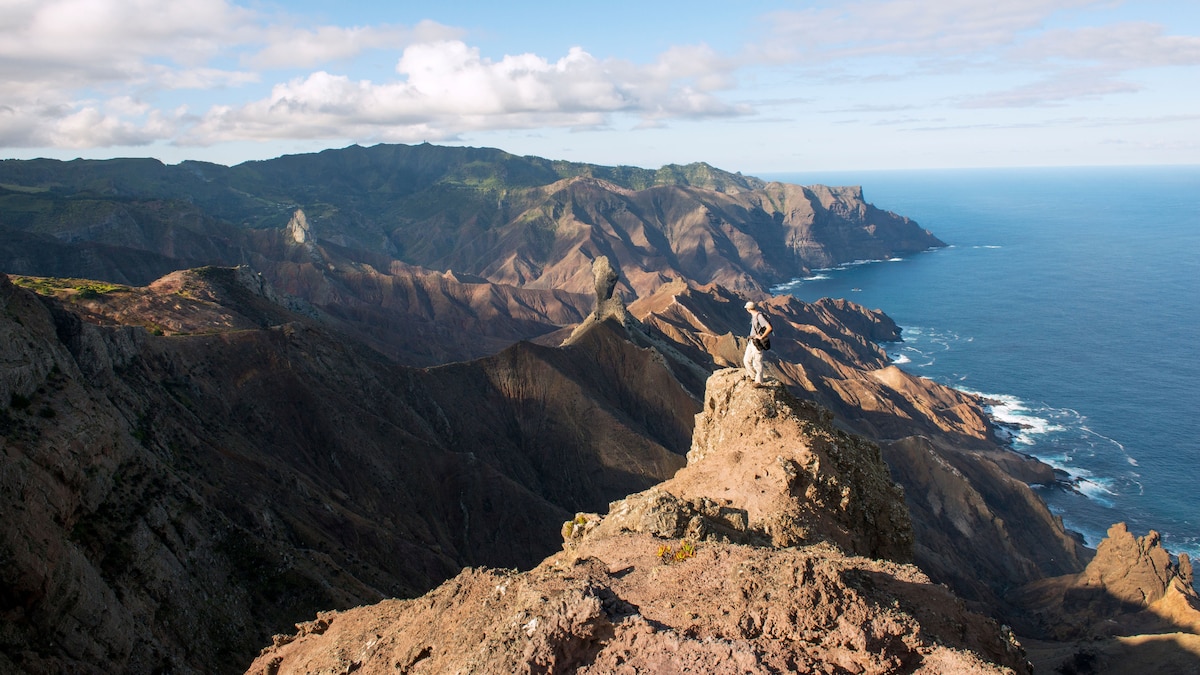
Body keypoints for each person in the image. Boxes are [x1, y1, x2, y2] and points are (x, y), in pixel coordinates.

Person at [743, 300, 773, 387]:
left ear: (748, 309)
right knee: (746, 360)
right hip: (751, 341)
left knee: (757, 362)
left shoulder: (759, 316)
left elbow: (769, 328)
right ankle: (752, 376)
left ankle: (759, 381)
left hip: (757, 342)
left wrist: (762, 337)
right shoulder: (755, 316)